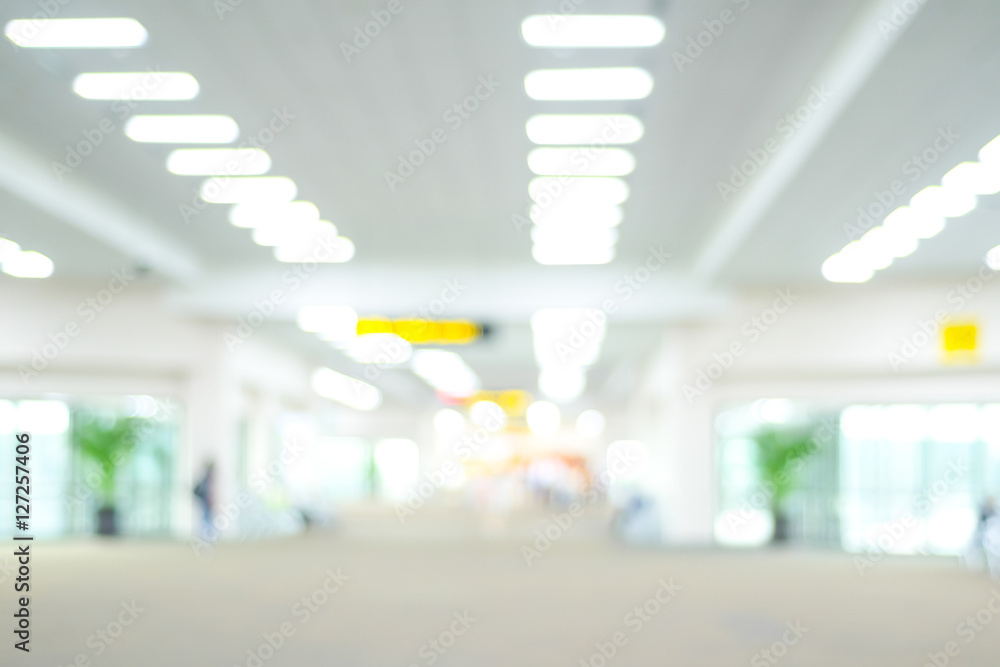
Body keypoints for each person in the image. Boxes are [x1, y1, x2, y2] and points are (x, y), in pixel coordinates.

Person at [193, 461, 216, 541]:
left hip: (206, 502)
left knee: (206, 518)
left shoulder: (206, 478)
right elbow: (209, 491)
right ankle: (206, 536)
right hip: (206, 502)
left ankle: (205, 536)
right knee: (206, 519)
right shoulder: (208, 478)